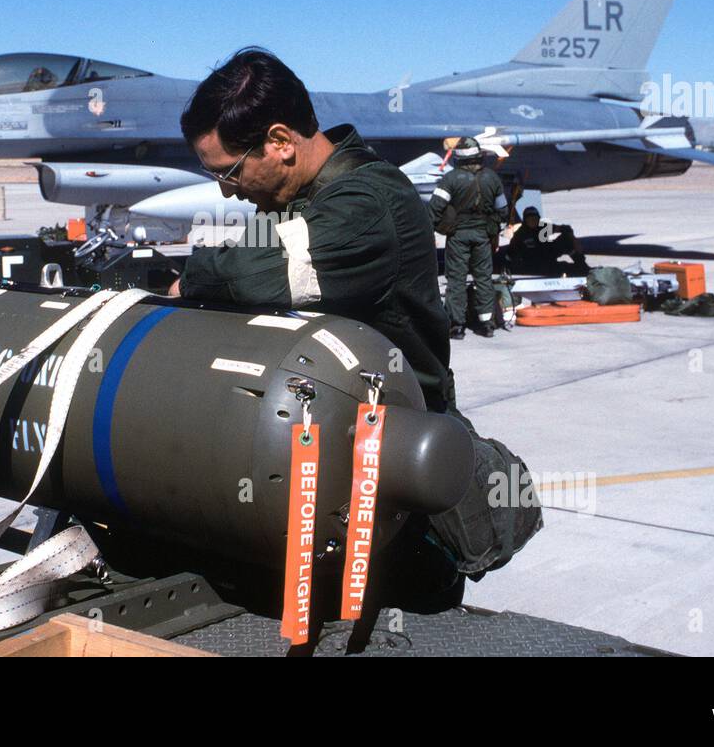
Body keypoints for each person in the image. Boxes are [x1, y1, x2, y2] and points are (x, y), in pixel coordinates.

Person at [169, 48, 540, 612]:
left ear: (280, 141)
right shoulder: (305, 196)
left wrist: (188, 279)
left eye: (229, 170)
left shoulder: (366, 202)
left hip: (397, 500)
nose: (227, 190)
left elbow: (256, 272)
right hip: (338, 469)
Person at [429, 138, 507, 339]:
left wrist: (432, 230)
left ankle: (457, 326)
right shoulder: (492, 178)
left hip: (457, 236)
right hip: (482, 236)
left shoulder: (450, 179)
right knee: (483, 278)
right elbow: (503, 210)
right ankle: (487, 325)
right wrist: (492, 228)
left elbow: (435, 207)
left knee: (456, 280)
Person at [504, 206, 588, 276]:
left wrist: (573, 240)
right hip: (533, 265)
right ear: (525, 220)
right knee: (563, 268)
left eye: (535, 218)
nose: (533, 221)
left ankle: (583, 266)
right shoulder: (520, 235)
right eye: (530, 218)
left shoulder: (542, 228)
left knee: (565, 239)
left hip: (547, 257)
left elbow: (565, 228)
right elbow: (510, 253)